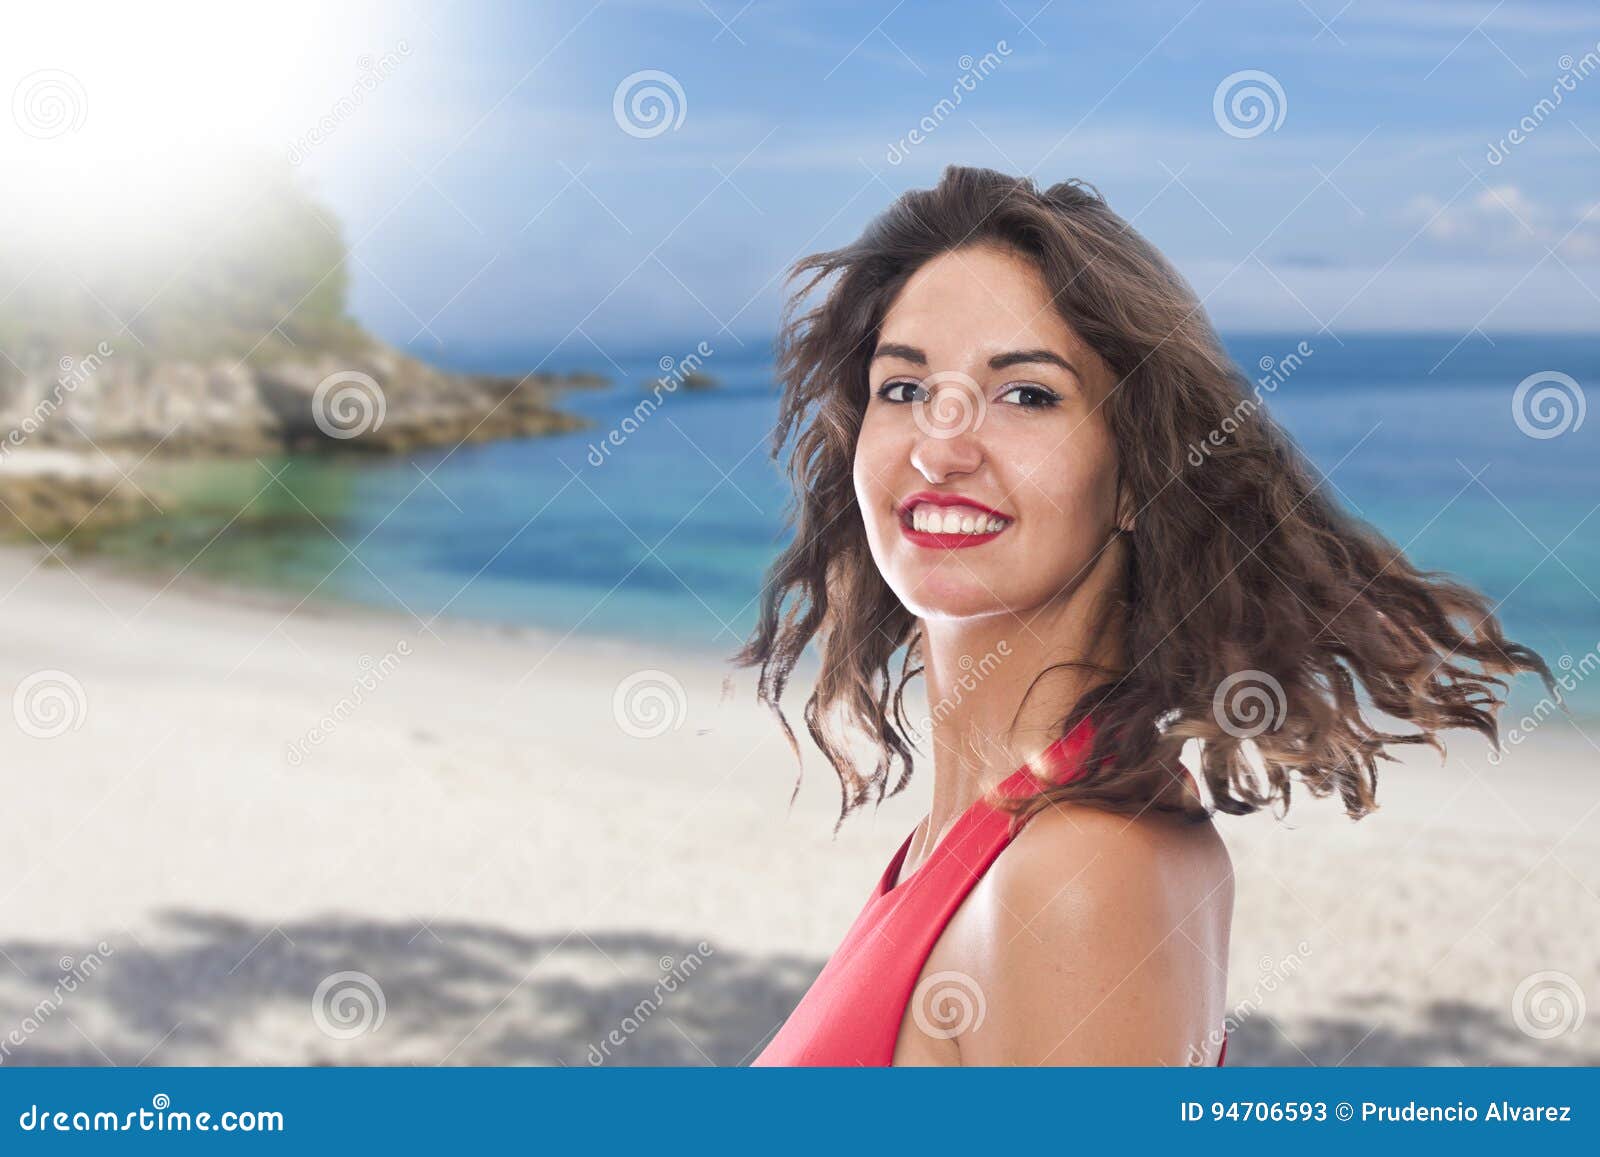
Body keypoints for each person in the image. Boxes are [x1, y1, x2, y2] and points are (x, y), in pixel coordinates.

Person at [736, 166, 1549, 1066]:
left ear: (1133, 478)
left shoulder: (1077, 878)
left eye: (1028, 394)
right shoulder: (978, 842)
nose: (942, 445)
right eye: (903, 387)